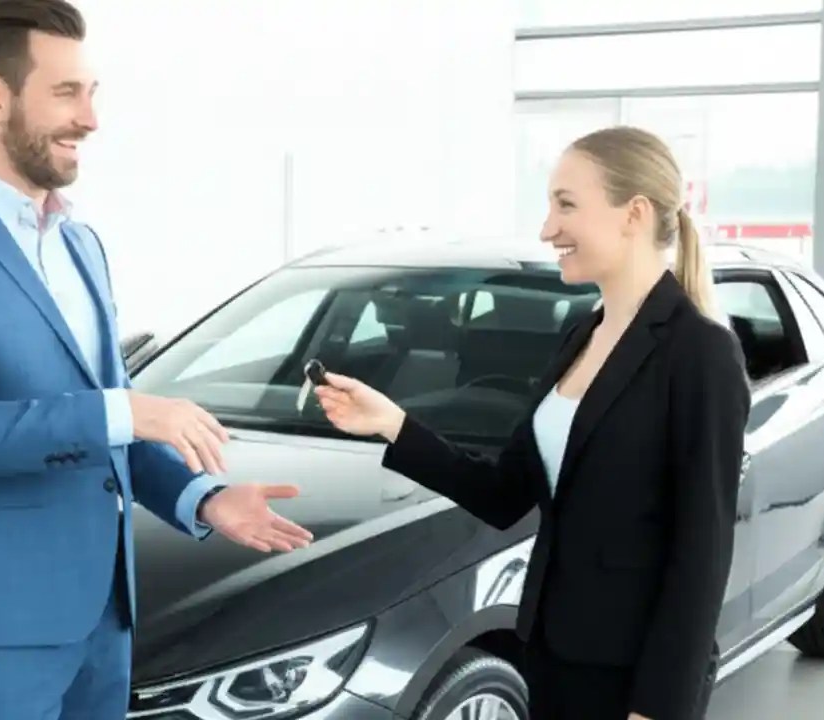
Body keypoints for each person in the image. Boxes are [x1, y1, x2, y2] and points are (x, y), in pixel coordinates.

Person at [0, 1, 314, 717]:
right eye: (66, 92)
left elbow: (113, 426)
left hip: (104, 611)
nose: (91, 119)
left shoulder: (80, 243)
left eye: (92, 92)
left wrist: (204, 498)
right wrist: (124, 410)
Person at [315, 126, 750, 720]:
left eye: (566, 205)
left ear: (634, 214)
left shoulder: (700, 353)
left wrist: (656, 708)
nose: (548, 229)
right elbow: (504, 493)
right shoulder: (582, 336)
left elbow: (702, 552)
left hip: (634, 683)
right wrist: (393, 423)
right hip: (553, 656)